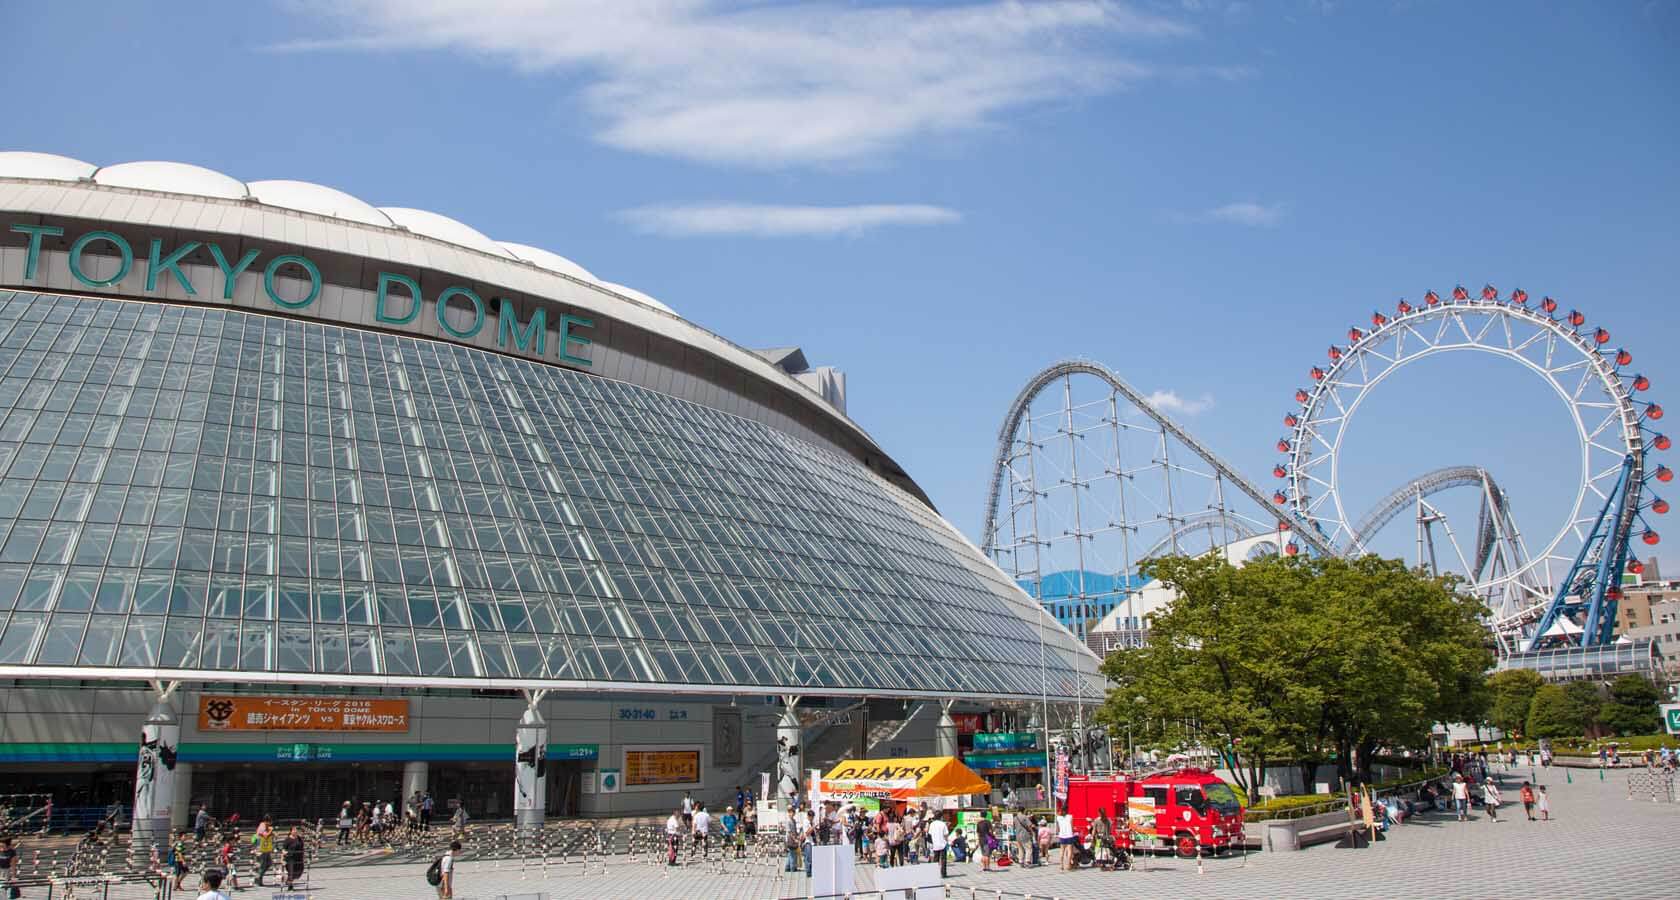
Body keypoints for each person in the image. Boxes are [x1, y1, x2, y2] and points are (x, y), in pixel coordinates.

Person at [280, 825, 306, 890]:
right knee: (291, 872)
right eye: (294, 830)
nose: (295, 831)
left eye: (296, 830)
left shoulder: (299, 838)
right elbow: (283, 850)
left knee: (299, 872)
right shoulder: (287, 839)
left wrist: (303, 857)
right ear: (291, 831)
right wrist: (282, 859)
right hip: (290, 858)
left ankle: (288, 880)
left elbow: (302, 848)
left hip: (299, 858)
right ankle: (290, 886)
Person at [252, 816, 275, 886]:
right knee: (262, 865)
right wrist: (271, 830)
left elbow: (269, 834)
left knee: (269, 863)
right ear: (266, 821)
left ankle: (259, 877)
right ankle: (257, 879)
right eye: (270, 822)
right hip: (261, 849)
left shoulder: (266, 826)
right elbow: (265, 836)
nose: (271, 823)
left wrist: (273, 833)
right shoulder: (262, 826)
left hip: (266, 848)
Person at [927, 811, 950, 878]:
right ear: (941, 816)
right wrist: (947, 840)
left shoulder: (932, 824)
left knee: (935, 860)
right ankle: (943, 873)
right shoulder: (943, 824)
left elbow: (930, 834)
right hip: (942, 844)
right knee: (943, 860)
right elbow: (946, 834)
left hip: (935, 844)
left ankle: (935, 873)